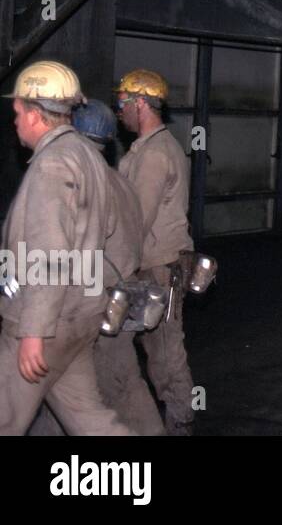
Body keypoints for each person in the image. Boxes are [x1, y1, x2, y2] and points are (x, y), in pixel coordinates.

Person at [0, 62, 132, 435]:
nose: (15, 121)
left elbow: (49, 254)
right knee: (91, 421)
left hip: (49, 322)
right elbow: (104, 228)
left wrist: (33, 333)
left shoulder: (52, 165)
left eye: (19, 112)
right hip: (80, 314)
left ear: (38, 114)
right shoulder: (90, 157)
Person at [27, 99, 165, 436]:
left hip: (85, 305)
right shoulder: (119, 183)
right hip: (123, 301)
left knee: (59, 392)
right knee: (125, 385)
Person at [115, 69, 196, 435]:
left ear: (141, 103)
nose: (120, 111)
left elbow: (136, 221)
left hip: (158, 269)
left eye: (123, 103)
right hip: (154, 264)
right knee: (151, 350)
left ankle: (180, 423)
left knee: (164, 353)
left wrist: (113, 269)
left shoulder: (155, 155)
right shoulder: (149, 149)